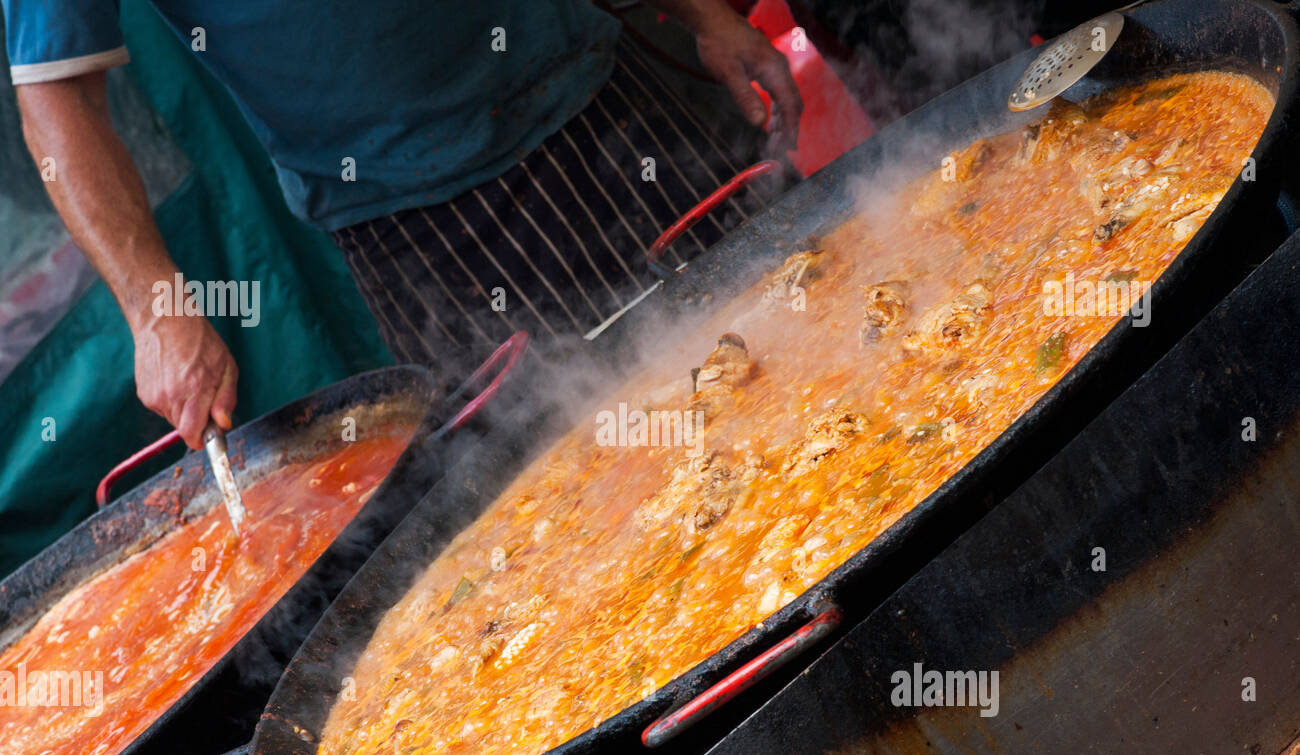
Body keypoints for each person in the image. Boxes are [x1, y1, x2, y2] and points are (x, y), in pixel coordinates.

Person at [3, 0, 801, 447]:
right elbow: (55, 102)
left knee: (796, 360)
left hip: (601, 98)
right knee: (600, 493)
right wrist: (153, 310)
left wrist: (705, 13)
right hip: (425, 236)